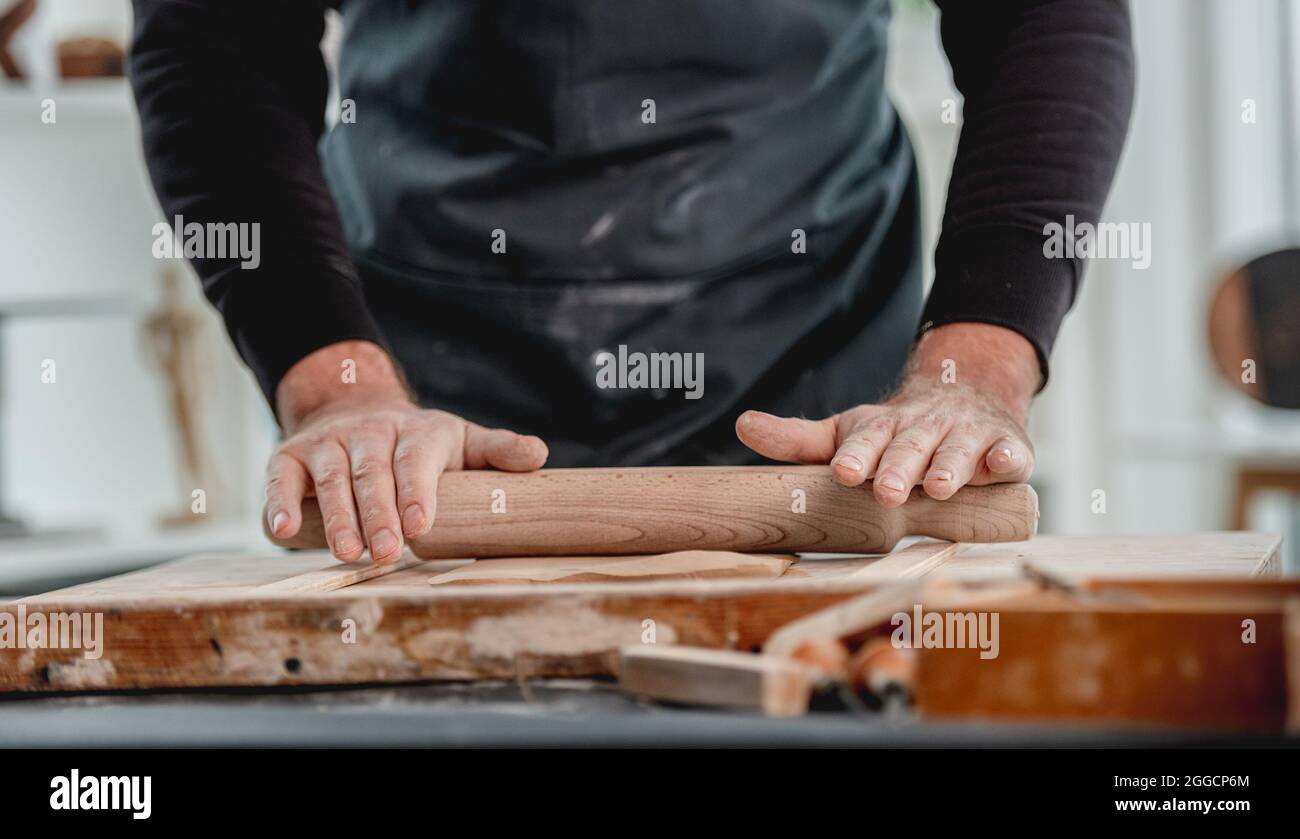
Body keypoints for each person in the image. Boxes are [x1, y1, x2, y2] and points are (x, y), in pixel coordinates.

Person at [128, 0, 1134, 563]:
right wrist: (330, 386)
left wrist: (976, 364)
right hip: (427, 423)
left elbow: (1046, 20)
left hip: (824, 401)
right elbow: (215, 41)